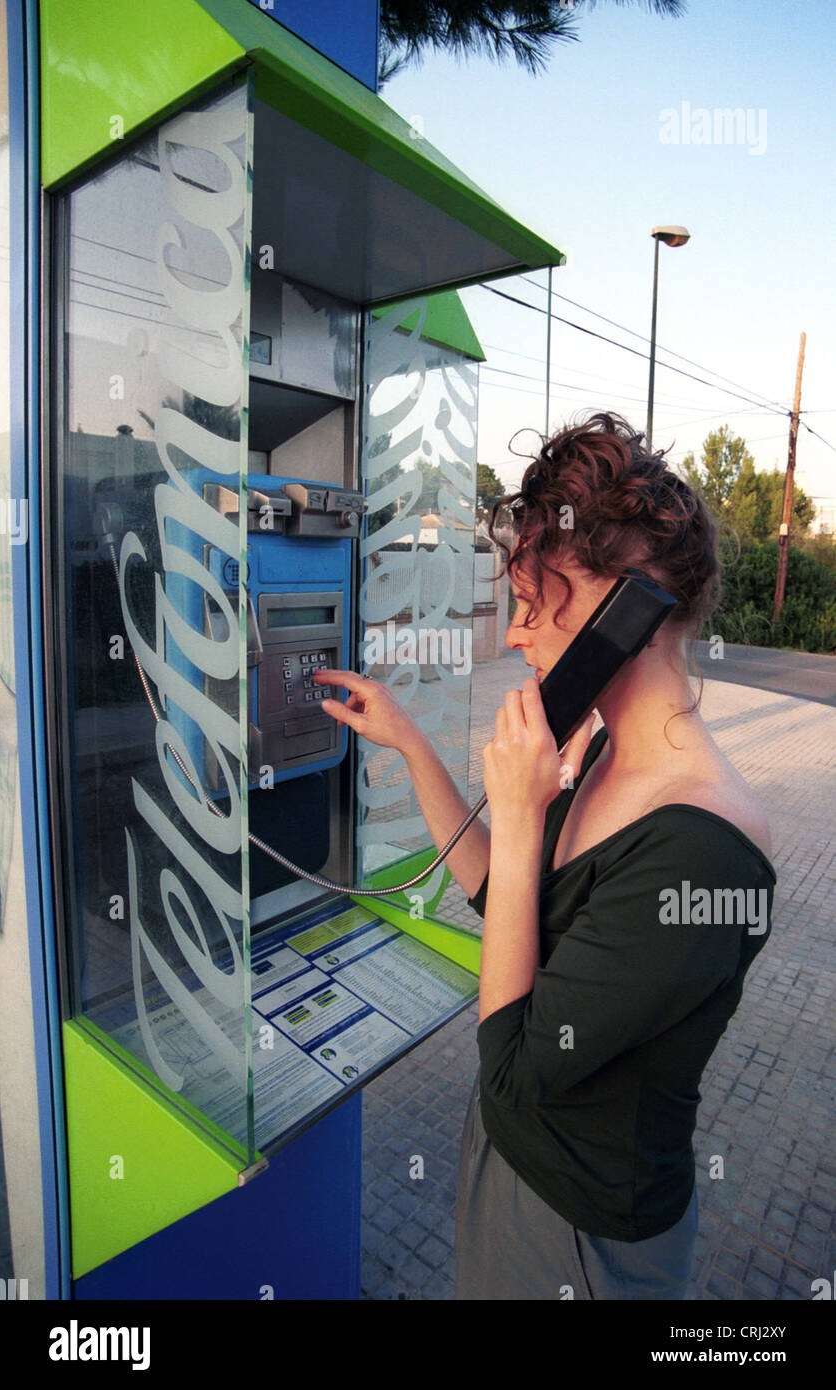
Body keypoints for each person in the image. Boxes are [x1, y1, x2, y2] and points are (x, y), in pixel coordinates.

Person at [313, 412, 776, 1301]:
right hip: (513, 1167)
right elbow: (506, 902)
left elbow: (515, 1070)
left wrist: (526, 816)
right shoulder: (604, 754)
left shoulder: (699, 852)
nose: (517, 635)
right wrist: (411, 746)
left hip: (580, 1230)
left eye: (532, 606)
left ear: (626, 612)